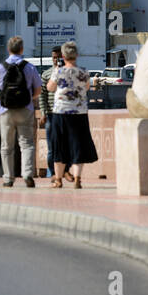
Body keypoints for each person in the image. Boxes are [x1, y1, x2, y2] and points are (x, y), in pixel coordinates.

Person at [41, 41, 98, 188]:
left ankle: (58, 179)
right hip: (79, 113)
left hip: (61, 113)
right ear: (76, 55)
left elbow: (50, 87)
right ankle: (78, 178)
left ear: (63, 56)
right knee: (78, 145)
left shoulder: (58, 72)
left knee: (59, 146)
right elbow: (86, 88)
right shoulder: (84, 72)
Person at [0, 36, 42, 188]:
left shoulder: (0, 67)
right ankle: (27, 174)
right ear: (22, 49)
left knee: (6, 146)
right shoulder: (29, 67)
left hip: (5, 111)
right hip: (25, 109)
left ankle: (8, 178)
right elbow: (38, 89)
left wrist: (3, 100)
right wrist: (28, 99)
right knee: (27, 144)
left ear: (8, 49)